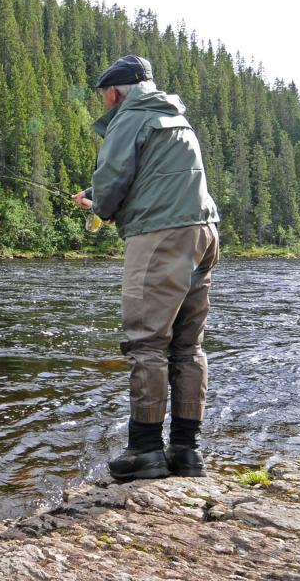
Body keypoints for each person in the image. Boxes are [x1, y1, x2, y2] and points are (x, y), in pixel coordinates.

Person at [71, 54, 220, 481]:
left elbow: (113, 178)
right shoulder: (174, 117)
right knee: (188, 346)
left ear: (116, 92)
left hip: (162, 239)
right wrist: (104, 199)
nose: (105, 104)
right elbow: (155, 180)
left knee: (147, 343)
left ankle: (145, 451)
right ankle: (186, 453)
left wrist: (97, 203)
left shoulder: (130, 117)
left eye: (105, 96)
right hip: (204, 234)